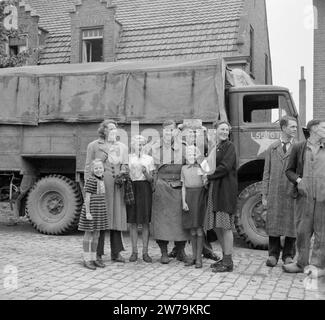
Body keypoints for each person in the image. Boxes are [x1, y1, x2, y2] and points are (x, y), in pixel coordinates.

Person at [85, 120, 128, 264]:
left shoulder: (121, 146)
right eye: (110, 128)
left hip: (117, 187)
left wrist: (123, 172)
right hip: (101, 187)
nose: (114, 131)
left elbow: (125, 164)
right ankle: (97, 253)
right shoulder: (94, 145)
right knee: (101, 218)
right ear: (103, 130)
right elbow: (88, 167)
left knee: (116, 217)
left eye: (115, 128)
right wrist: (89, 187)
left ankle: (116, 253)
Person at [284, 119, 325, 274]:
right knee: (302, 231)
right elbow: (289, 171)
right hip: (304, 197)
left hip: (323, 197)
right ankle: (301, 263)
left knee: (322, 232)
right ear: (313, 129)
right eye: (323, 127)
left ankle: (317, 266)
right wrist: (298, 180)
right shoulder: (298, 147)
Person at [150, 120, 190, 264]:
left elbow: (190, 164)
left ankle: (180, 251)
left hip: (179, 187)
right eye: (166, 130)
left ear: (175, 131)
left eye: (171, 130)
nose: (169, 132)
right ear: (162, 131)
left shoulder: (184, 147)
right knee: (161, 221)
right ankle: (164, 252)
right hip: (161, 187)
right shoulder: (155, 147)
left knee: (181, 222)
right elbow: (151, 167)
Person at [262, 116, 298, 267]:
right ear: (283, 128)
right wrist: (264, 194)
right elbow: (266, 172)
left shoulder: (298, 147)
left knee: (292, 223)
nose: (295, 129)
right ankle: (273, 255)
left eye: (296, 127)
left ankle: (288, 255)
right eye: (292, 127)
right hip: (275, 192)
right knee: (274, 222)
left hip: (292, 192)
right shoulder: (273, 148)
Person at [205, 120, 237, 273]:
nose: (224, 132)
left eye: (226, 129)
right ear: (216, 130)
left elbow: (225, 167)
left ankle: (228, 261)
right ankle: (224, 258)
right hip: (214, 189)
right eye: (222, 129)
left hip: (225, 189)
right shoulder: (215, 147)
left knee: (225, 225)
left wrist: (208, 176)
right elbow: (207, 164)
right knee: (216, 225)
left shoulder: (229, 146)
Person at [127, 135, 156, 263]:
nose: (140, 146)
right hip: (132, 187)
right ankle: (134, 252)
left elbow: (151, 180)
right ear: (133, 145)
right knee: (132, 221)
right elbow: (126, 175)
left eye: (142, 144)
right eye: (137, 144)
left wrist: (145, 173)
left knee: (145, 221)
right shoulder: (128, 158)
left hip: (145, 188)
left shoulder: (149, 159)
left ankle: (145, 252)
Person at [78, 159, 110, 270]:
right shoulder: (91, 180)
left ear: (103, 168)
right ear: (92, 170)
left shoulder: (102, 180)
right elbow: (87, 197)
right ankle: (86, 259)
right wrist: (87, 212)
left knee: (97, 235)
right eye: (96, 168)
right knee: (89, 234)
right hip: (91, 211)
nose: (98, 170)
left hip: (99, 210)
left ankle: (93, 258)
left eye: (100, 168)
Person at [181, 145, 208, 268]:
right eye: (189, 154)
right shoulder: (184, 168)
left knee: (199, 228)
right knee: (191, 228)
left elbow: (207, 180)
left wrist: (204, 176)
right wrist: (183, 202)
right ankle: (193, 256)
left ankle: (199, 258)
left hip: (200, 197)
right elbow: (183, 187)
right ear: (186, 156)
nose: (191, 156)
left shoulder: (202, 166)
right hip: (189, 198)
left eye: (193, 154)